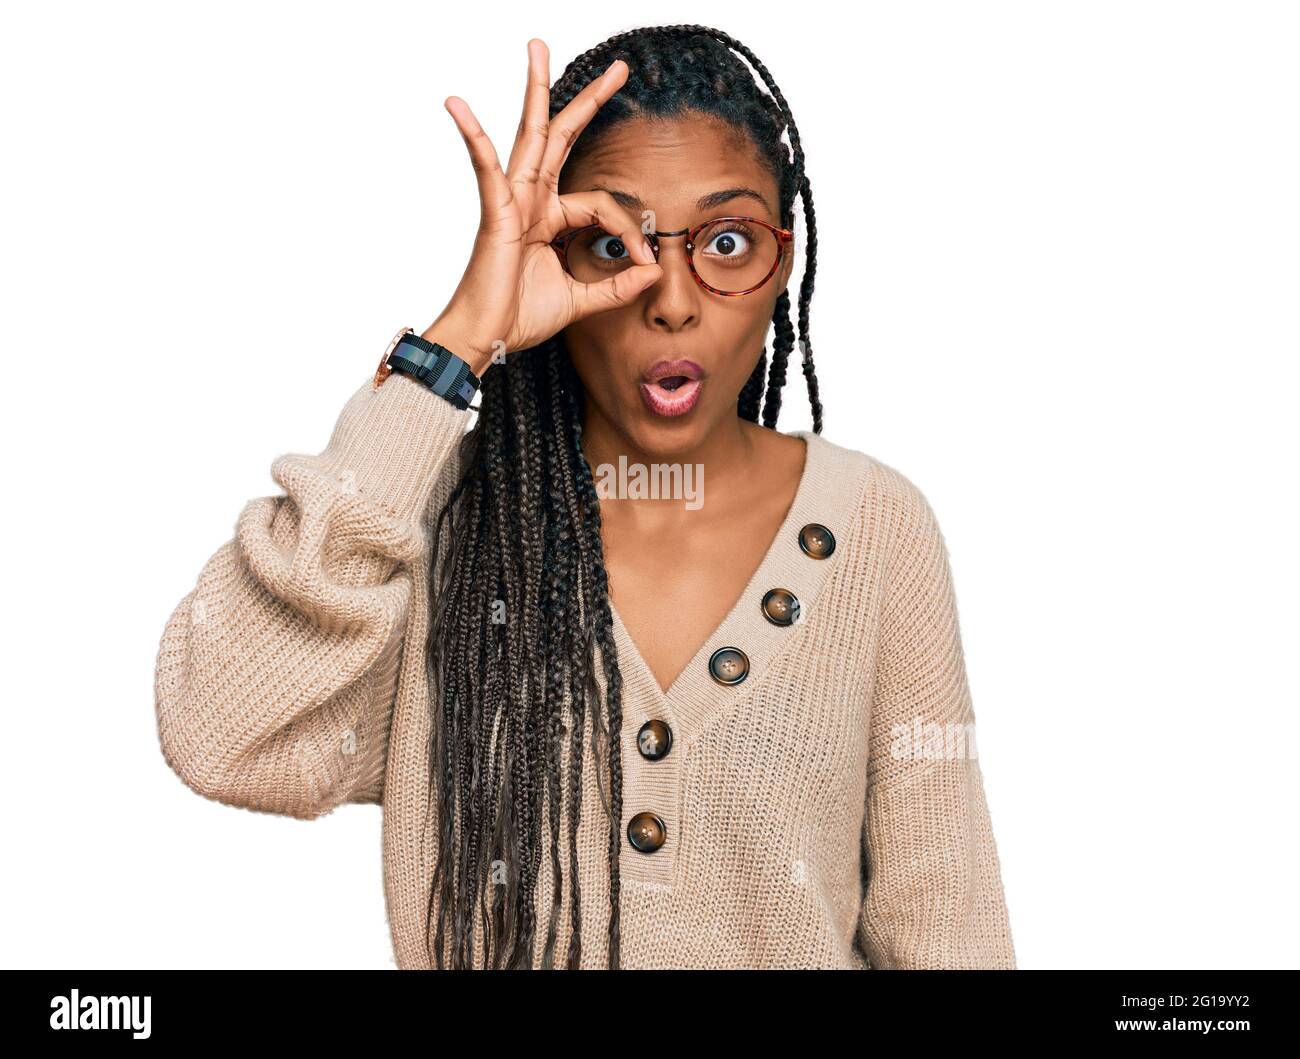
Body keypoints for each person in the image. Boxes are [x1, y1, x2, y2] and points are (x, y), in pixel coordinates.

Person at [153, 24, 1017, 970]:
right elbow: (221, 731)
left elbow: (948, 929)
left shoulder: (875, 531)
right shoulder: (433, 518)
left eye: (727, 241)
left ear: (784, 258)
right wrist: (457, 345)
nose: (673, 301)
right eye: (614, 242)